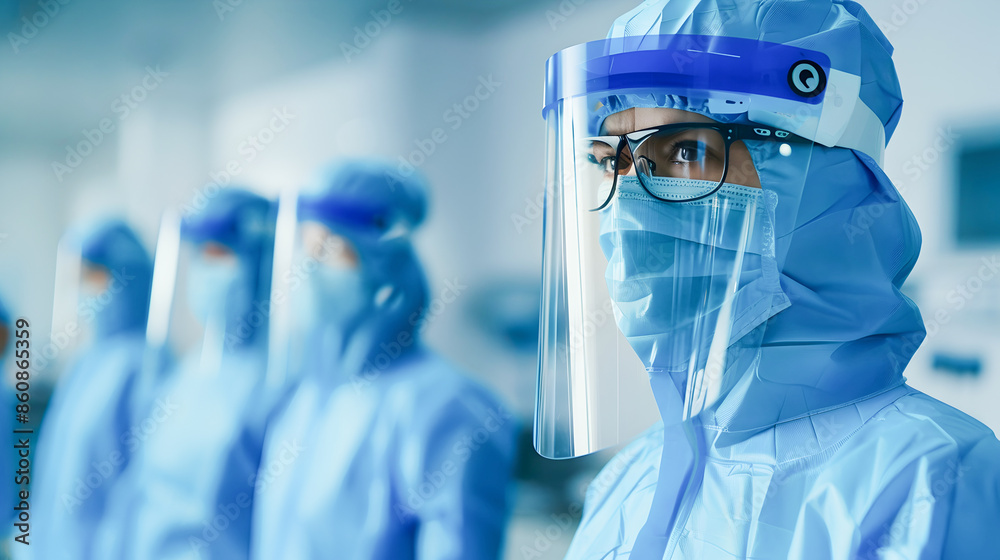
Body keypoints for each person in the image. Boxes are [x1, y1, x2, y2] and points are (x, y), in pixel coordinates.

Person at [533, 1, 1000, 558]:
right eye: (616, 161)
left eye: (685, 150)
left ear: (816, 175)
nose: (629, 207)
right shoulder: (627, 479)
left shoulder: (928, 476)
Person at [251, 160, 517, 560]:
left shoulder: (447, 408)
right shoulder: (304, 402)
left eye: (328, 250)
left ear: (384, 266)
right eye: (304, 250)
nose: (307, 272)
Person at [97, 189, 276, 560]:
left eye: (219, 254)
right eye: (199, 256)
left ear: (261, 262)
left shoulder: (276, 380)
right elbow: (141, 493)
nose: (204, 270)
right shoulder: (186, 374)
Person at [29, 220, 154, 560]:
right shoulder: (83, 365)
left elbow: (136, 494)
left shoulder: (144, 369)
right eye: (83, 277)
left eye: (97, 276)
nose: (86, 289)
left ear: (130, 277)